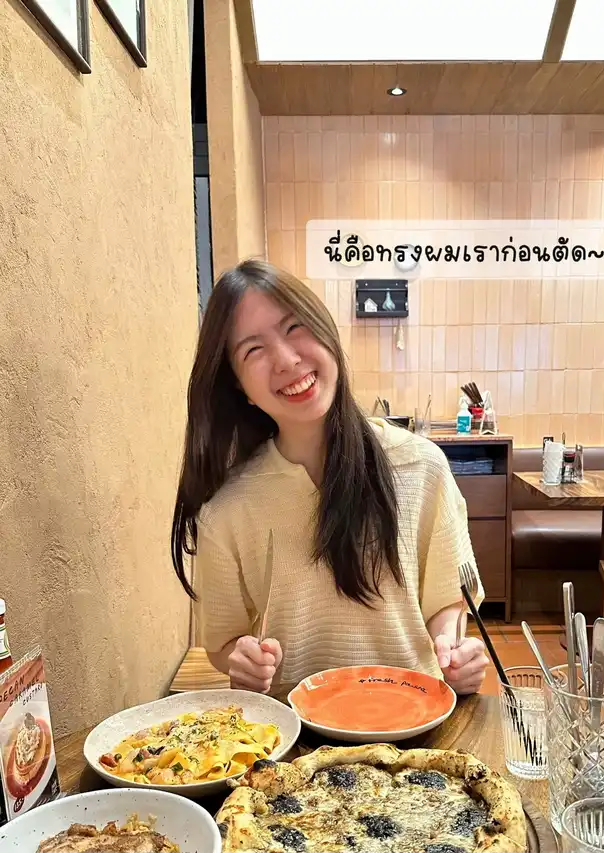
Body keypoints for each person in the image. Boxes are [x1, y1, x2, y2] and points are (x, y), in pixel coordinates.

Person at [171, 259, 489, 700]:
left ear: (325, 331)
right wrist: (241, 661)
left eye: (294, 327)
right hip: (293, 732)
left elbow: (447, 600)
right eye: (253, 350)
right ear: (240, 386)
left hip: (414, 719)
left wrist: (453, 652)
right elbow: (224, 642)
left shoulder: (422, 467)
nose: (286, 360)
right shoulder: (227, 508)